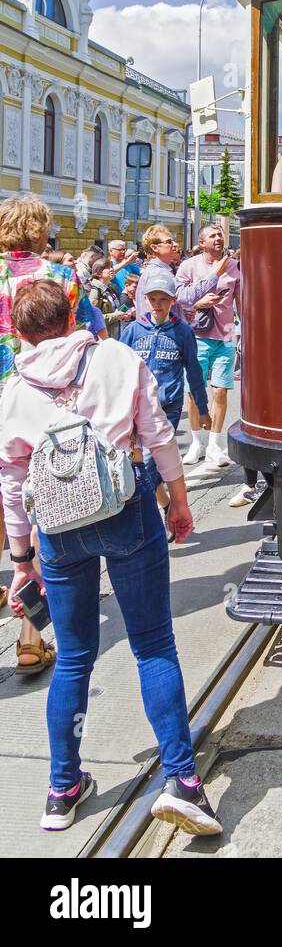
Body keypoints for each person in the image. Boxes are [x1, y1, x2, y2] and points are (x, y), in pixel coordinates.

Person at [0, 279, 221, 836]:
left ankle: (61, 789)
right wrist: (179, 498)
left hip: (57, 532)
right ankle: (182, 781)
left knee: (74, 658)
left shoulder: (12, 390)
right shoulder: (117, 357)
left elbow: (13, 481)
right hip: (126, 512)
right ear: (72, 312)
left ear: (18, 332)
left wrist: (21, 559)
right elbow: (159, 434)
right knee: (152, 646)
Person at [0, 197, 104, 673]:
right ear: (40, 230)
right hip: (40, 398)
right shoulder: (62, 276)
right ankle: (30, 634)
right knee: (40, 501)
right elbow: (77, 336)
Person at [121, 267, 211, 506]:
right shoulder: (133, 330)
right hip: (137, 406)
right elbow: (118, 370)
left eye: (163, 300)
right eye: (152, 299)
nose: (157, 305)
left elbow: (194, 372)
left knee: (150, 463)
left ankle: (144, 516)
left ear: (173, 301)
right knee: (136, 461)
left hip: (167, 406)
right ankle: (166, 505)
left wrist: (202, 408)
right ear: (145, 300)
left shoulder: (182, 332)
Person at [175, 223, 241, 467]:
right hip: (196, 337)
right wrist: (198, 302)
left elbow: (240, 301)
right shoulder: (189, 266)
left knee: (220, 391)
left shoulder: (233, 266)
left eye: (220, 235)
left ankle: (214, 443)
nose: (218, 239)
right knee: (194, 392)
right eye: (213, 236)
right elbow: (177, 297)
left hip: (225, 336)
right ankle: (196, 442)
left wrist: (245, 335)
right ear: (201, 242)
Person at [134, 225, 225, 324]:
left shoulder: (158, 270)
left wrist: (181, 313)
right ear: (155, 248)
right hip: (160, 335)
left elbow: (171, 303)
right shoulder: (159, 273)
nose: (175, 244)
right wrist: (214, 274)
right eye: (169, 242)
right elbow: (186, 297)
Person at [89, 258, 132, 339]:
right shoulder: (95, 291)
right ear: (98, 272)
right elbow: (92, 318)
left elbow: (115, 310)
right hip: (102, 339)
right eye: (107, 267)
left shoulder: (111, 288)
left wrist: (122, 313)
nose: (112, 269)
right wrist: (115, 316)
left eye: (112, 266)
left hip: (114, 335)